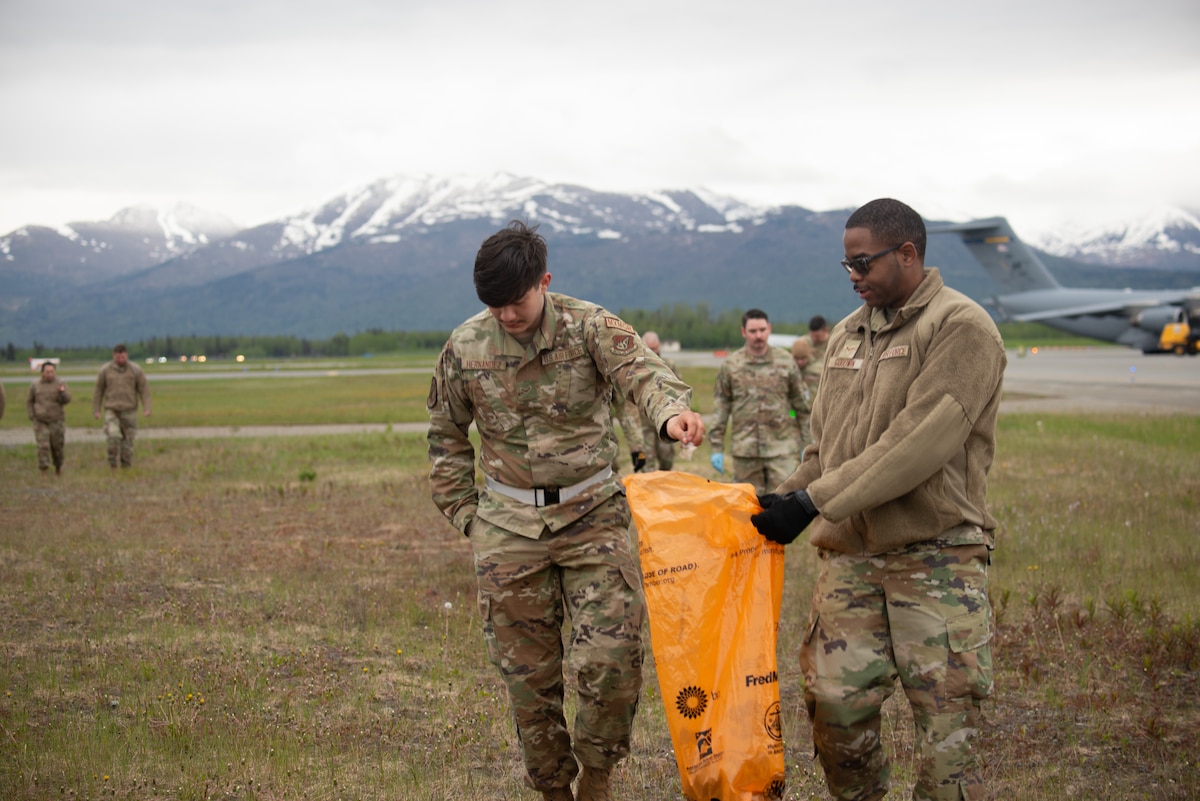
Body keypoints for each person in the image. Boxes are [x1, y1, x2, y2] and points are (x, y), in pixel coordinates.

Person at [426, 220, 705, 801]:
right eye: (495, 305)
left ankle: (597, 776)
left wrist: (670, 415)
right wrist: (469, 517)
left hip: (592, 516)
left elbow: (644, 374)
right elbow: (446, 435)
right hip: (507, 529)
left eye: (517, 301)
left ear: (544, 282)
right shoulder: (465, 347)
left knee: (612, 660)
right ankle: (553, 787)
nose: (507, 315)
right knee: (528, 678)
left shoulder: (590, 326)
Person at [751, 198, 1006, 801]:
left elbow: (917, 443)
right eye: (847, 265)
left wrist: (812, 503)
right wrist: (778, 498)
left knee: (946, 730)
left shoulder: (961, 327)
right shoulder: (846, 335)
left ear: (907, 253)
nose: (853, 276)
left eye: (863, 263)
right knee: (833, 706)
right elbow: (827, 449)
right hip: (852, 558)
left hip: (936, 558)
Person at [708, 309, 809, 494]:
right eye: (753, 331)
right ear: (743, 332)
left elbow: (801, 407)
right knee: (748, 505)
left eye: (762, 330)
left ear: (769, 328)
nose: (758, 336)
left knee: (783, 503)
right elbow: (721, 407)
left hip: (781, 450)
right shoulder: (731, 366)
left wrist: (807, 444)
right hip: (745, 452)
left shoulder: (786, 362)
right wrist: (716, 447)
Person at [92, 344, 152, 469]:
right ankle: (113, 465)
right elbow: (98, 391)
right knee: (113, 437)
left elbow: (144, 390)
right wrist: (96, 410)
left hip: (129, 411)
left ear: (127, 355)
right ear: (114, 356)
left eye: (123, 357)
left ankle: (126, 467)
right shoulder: (105, 370)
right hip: (112, 410)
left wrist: (147, 407)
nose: (120, 360)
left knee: (127, 442)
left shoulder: (135, 370)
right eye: (118, 357)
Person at [636, 331, 681, 471]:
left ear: (659, 346)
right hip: (644, 421)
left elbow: (679, 389)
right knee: (647, 460)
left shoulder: (668, 365)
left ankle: (664, 481)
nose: (652, 352)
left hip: (664, 419)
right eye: (649, 348)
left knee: (667, 457)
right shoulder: (637, 367)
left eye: (654, 348)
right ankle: (648, 483)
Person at [27, 362, 72, 475]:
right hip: (40, 420)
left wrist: (62, 392)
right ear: (42, 372)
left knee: (57, 446)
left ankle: (58, 467)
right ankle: (44, 470)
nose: (50, 374)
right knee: (43, 446)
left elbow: (67, 400)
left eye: (52, 372)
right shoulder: (35, 385)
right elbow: (30, 401)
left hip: (56, 420)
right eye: (47, 372)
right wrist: (32, 415)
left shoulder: (60, 383)